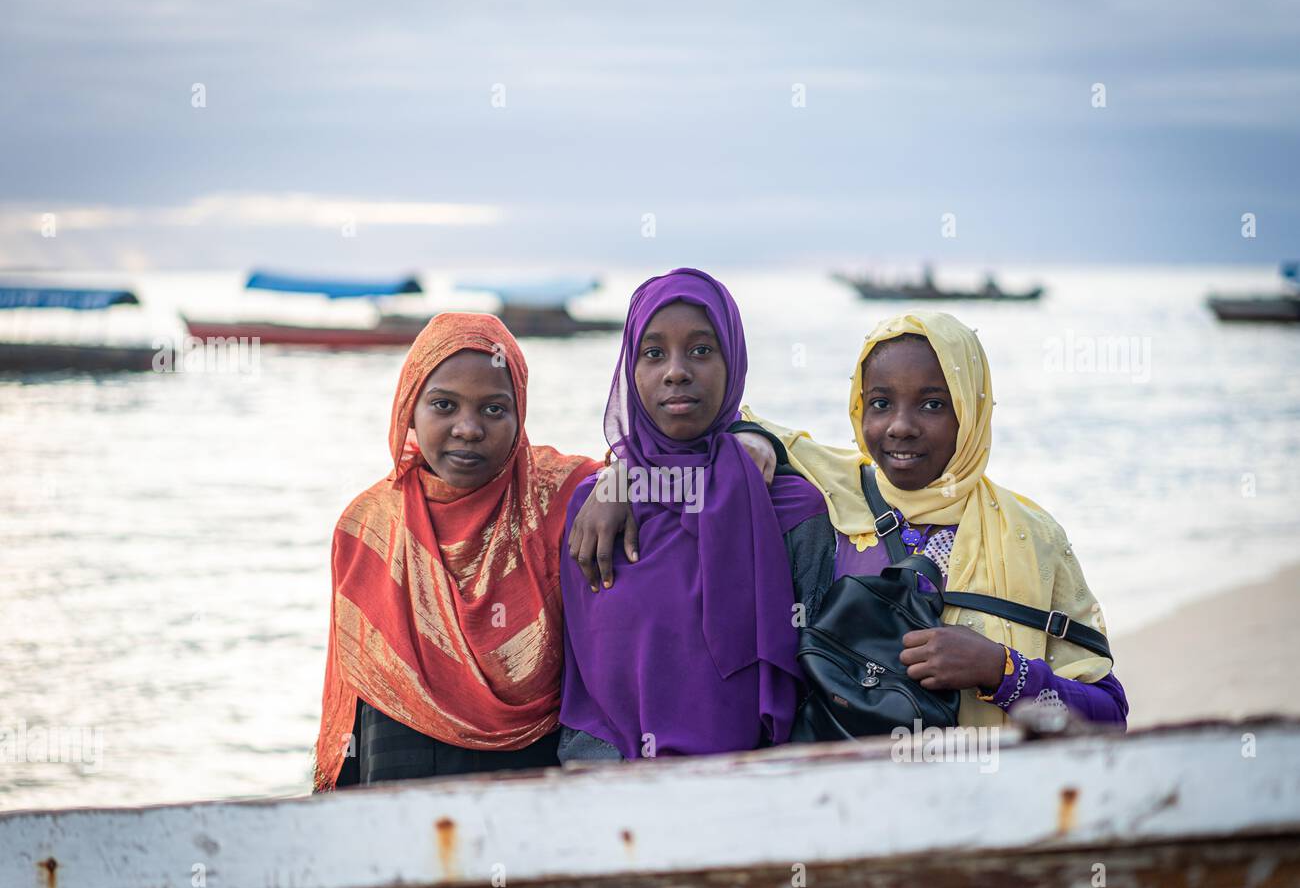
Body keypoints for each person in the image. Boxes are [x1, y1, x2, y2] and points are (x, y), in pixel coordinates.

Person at [571, 311, 1127, 729]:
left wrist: (1001, 671)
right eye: (880, 403)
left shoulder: (1034, 537)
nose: (900, 427)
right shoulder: (828, 488)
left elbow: (1108, 716)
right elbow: (701, 439)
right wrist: (619, 478)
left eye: (933, 404)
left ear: (973, 407)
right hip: (841, 810)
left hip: (994, 815)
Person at [312, 312, 601, 791]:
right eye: (444, 405)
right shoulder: (366, 527)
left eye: (493, 409)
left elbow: (656, 459)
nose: (468, 428)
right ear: (410, 408)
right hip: (395, 781)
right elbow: (354, 692)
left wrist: (755, 443)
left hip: (527, 785)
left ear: (519, 412)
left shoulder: (563, 496)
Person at [557, 268, 833, 763]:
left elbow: (817, 665)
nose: (676, 371)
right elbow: (584, 680)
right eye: (653, 353)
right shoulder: (594, 508)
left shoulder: (789, 507)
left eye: (702, 351)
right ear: (629, 368)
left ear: (734, 363)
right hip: (613, 787)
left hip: (758, 785)